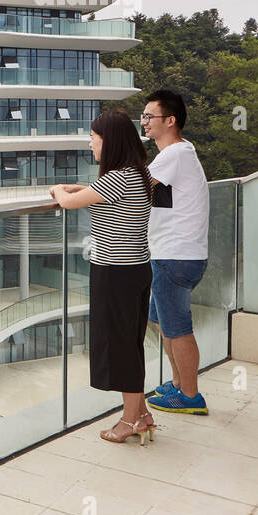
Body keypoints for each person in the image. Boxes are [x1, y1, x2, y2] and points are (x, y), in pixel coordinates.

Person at [49, 109, 155, 445]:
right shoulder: (137, 173)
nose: (91, 145)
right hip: (136, 269)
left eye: (94, 139)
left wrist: (58, 189)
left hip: (115, 272)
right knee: (130, 342)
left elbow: (67, 203)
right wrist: (82, 189)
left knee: (120, 346)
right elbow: (103, 195)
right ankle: (142, 414)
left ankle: (129, 420)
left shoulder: (116, 178)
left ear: (110, 142)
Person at [140, 89, 210, 415]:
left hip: (175, 257)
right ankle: (180, 384)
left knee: (178, 329)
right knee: (162, 322)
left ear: (170, 120)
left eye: (149, 116)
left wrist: (81, 193)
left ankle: (191, 396)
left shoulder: (174, 154)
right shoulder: (180, 154)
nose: (144, 122)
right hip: (174, 255)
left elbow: (134, 187)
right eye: (143, 116)